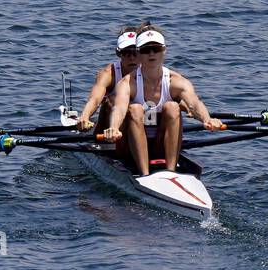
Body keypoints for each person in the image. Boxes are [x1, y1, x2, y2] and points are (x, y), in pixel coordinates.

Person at [105, 24, 224, 175]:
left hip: (161, 144)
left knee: (172, 107)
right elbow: (119, 109)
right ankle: (144, 174)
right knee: (135, 109)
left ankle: (170, 172)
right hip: (129, 147)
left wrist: (208, 120)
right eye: (146, 50)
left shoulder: (176, 81)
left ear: (164, 50)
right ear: (139, 53)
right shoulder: (128, 83)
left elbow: (194, 103)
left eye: (156, 48)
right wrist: (114, 127)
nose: (151, 54)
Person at [72, 25, 140, 132]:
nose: (131, 57)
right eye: (126, 52)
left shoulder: (153, 73)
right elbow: (95, 100)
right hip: (110, 128)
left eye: (136, 52)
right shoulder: (108, 74)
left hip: (140, 121)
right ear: (118, 53)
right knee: (112, 100)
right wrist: (85, 116)